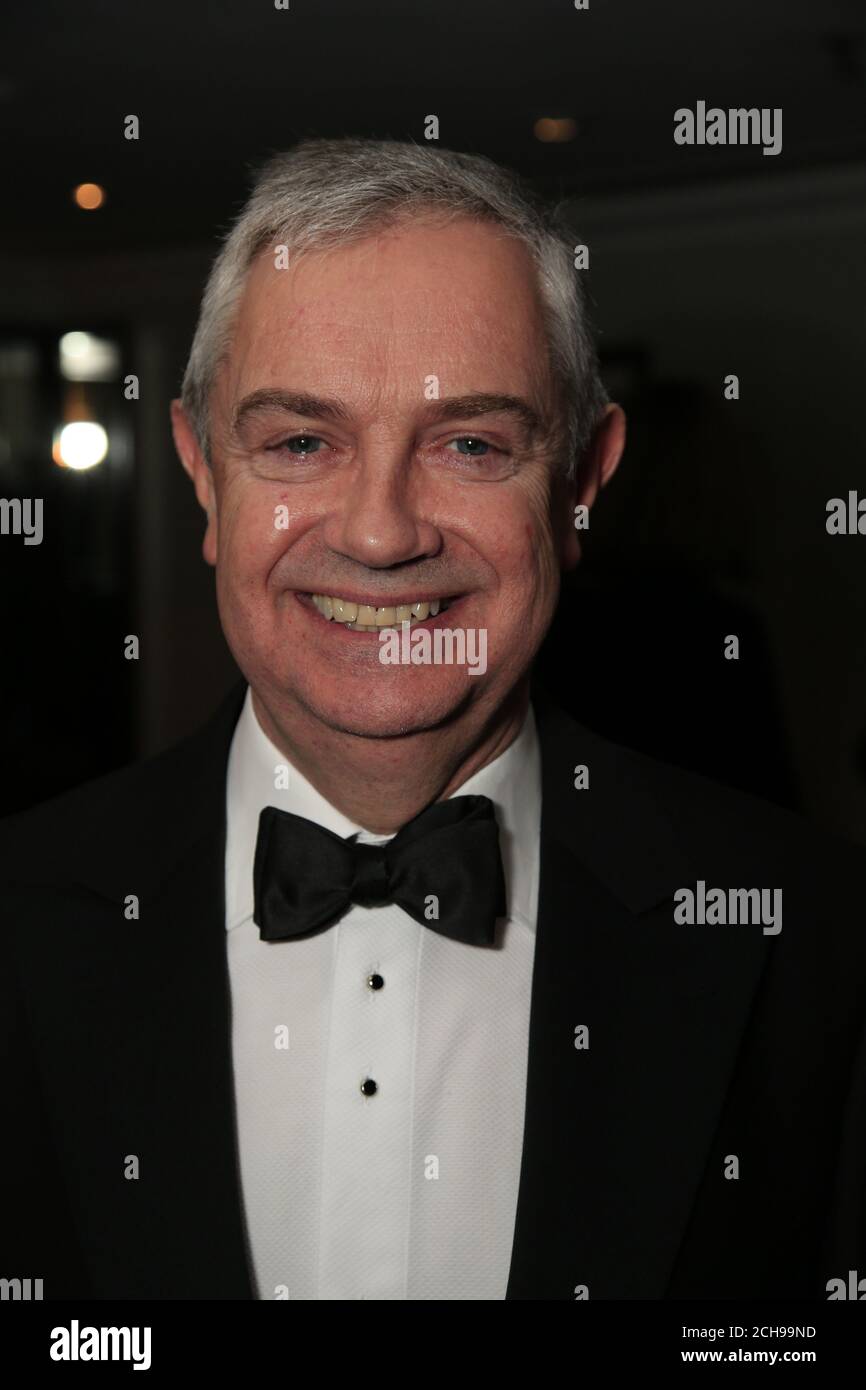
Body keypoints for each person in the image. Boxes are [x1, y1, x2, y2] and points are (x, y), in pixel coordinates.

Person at [2, 138, 865, 1302]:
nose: (377, 532)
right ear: (205, 476)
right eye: (301, 441)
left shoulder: (815, 942)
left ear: (579, 487)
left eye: (469, 444)